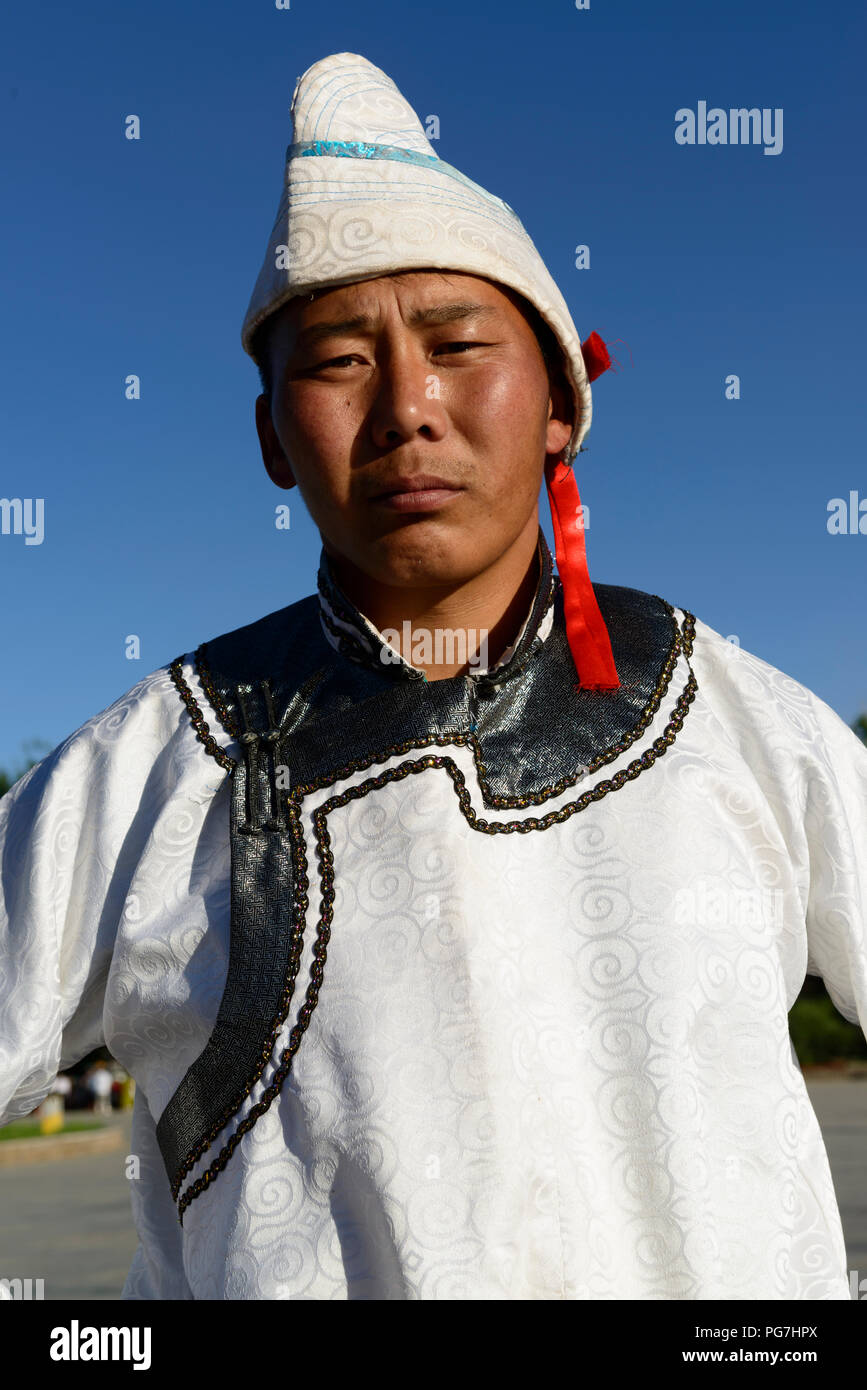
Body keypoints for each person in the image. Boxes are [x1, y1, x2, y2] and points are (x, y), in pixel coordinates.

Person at [1, 51, 865, 1302]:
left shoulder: (743, 723)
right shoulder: (146, 773)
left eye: (459, 343)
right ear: (271, 438)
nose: (408, 406)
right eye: (339, 360)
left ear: (561, 400)